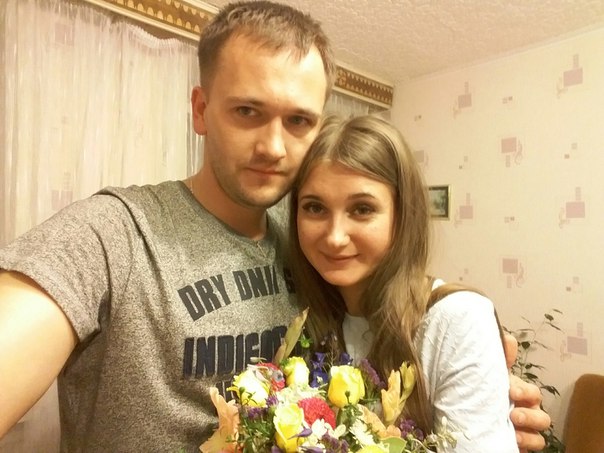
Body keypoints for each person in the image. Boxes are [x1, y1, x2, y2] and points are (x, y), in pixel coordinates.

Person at [0, 1, 548, 452]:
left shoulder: (311, 240)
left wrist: (469, 377)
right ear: (200, 109)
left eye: (299, 120)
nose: (273, 147)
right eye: (247, 111)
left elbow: (399, 302)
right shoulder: (113, 234)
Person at [288, 114, 518, 451]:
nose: (335, 237)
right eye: (314, 207)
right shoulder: (307, 317)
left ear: (403, 215)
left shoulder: (455, 319)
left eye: (362, 209)